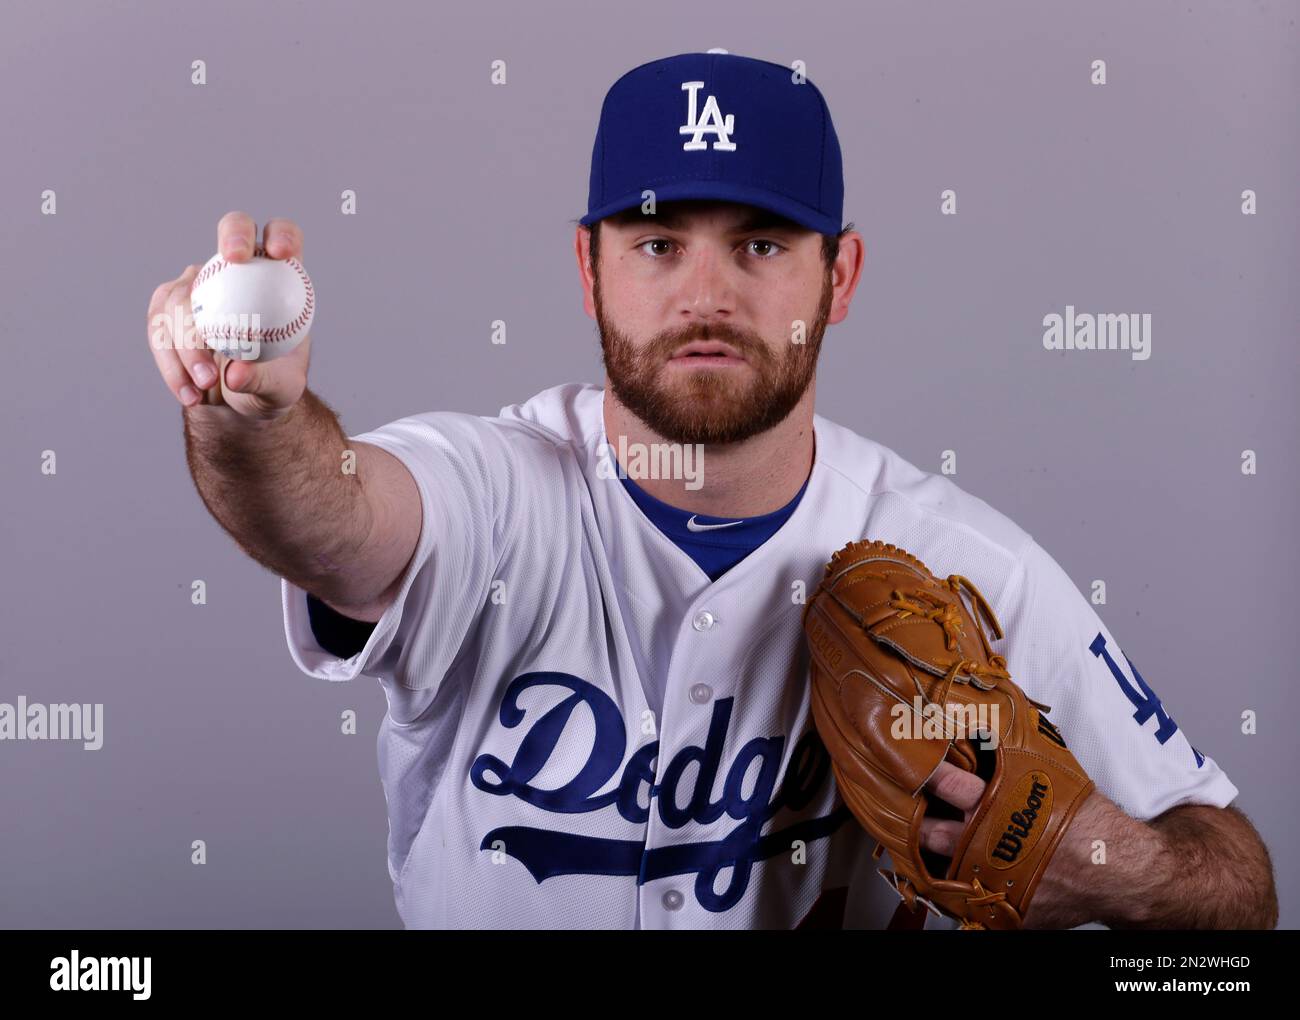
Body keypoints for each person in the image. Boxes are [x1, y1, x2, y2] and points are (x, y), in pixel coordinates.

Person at [146, 51, 1276, 929]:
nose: (705, 294)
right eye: (655, 241)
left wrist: (1099, 862)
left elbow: (1236, 884)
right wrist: (254, 419)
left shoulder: (968, 566)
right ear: (586, 266)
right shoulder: (499, 497)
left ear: (841, 276)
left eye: (761, 244)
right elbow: (332, 520)